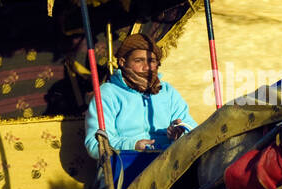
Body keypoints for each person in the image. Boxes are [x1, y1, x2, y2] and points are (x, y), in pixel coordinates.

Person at [83, 33, 197, 165]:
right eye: (139, 61)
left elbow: (192, 130)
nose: (147, 67)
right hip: (125, 166)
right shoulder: (108, 93)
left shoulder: (167, 91)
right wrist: (133, 145)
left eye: (152, 61)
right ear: (123, 62)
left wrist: (179, 133)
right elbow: (95, 144)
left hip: (169, 163)